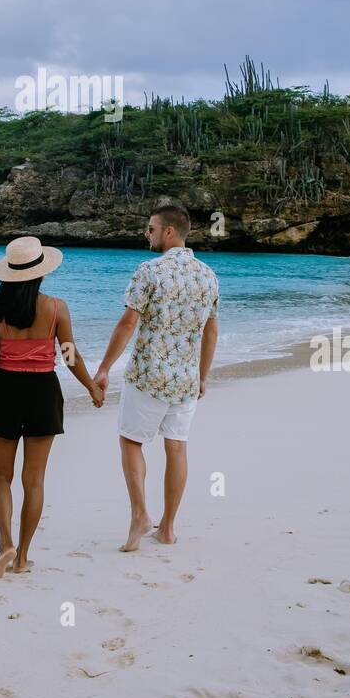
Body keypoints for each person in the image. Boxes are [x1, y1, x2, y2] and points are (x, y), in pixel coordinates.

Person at [0, 235, 103, 579]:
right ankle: (21, 559)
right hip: (43, 392)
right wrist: (91, 387)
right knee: (33, 480)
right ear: (41, 272)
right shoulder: (56, 308)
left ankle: (5, 545)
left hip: (5, 390)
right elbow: (69, 356)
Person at [95, 204, 218, 551]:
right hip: (185, 378)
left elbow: (128, 323)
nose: (146, 234)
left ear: (169, 232)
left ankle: (140, 515)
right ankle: (168, 529)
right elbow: (211, 331)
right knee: (176, 447)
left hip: (149, 374)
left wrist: (104, 368)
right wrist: (202, 376)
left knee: (131, 441)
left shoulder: (149, 270)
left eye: (151, 228)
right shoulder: (208, 275)